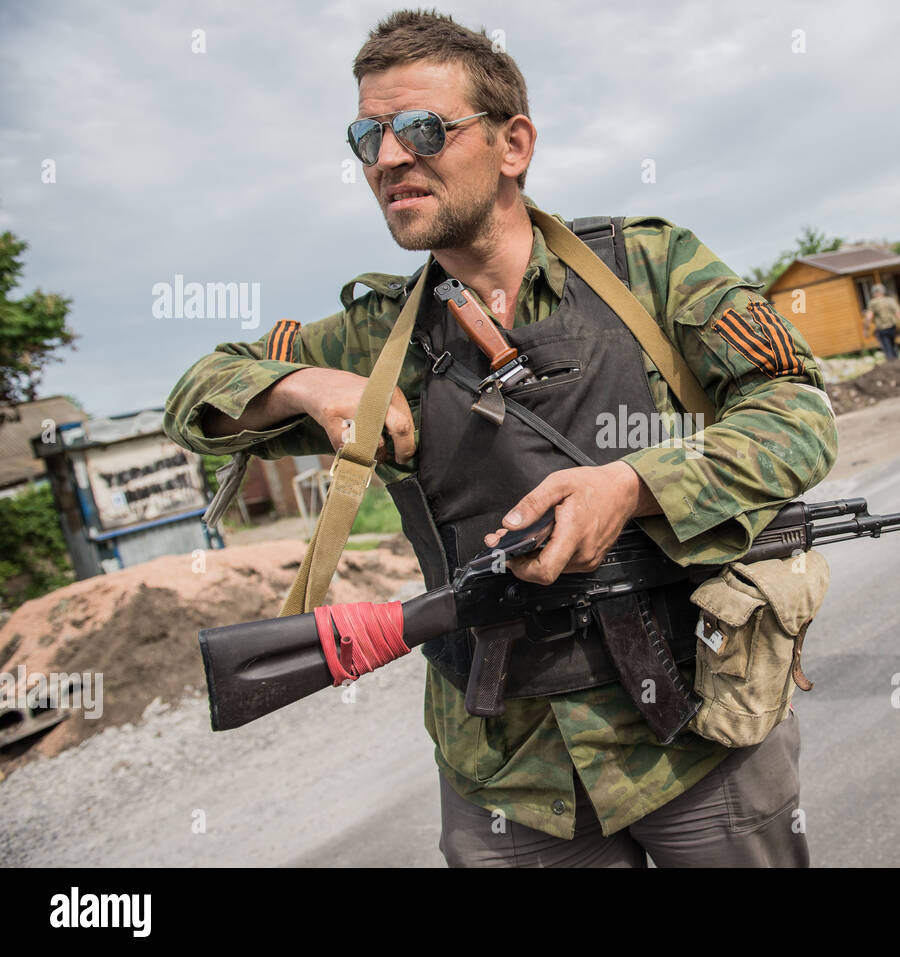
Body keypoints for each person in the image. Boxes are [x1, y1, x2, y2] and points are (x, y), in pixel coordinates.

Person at [162, 10, 836, 866]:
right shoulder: (377, 339)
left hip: (701, 736)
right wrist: (302, 384)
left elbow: (799, 409)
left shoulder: (650, 267)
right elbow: (194, 398)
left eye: (421, 128)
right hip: (506, 771)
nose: (388, 157)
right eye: (367, 134)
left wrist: (632, 486)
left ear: (512, 144)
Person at [866, 283, 900, 360]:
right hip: (892, 327)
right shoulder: (890, 300)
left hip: (881, 328)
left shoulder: (873, 303)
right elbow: (898, 314)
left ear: (875, 293)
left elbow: (869, 317)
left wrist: (866, 329)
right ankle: (897, 361)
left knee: (887, 347)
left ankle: (891, 364)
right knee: (893, 344)